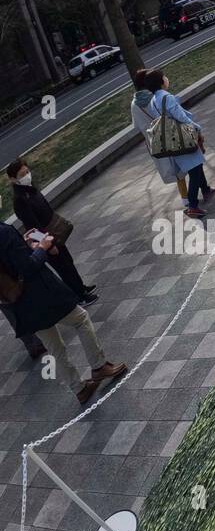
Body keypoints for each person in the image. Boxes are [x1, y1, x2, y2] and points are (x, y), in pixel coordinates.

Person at [0, 213, 126, 405]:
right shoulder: (4, 231)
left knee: (54, 347)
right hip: (41, 295)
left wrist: (24, 245)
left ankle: (79, 388)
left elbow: (11, 264)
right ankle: (99, 366)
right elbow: (28, 267)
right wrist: (41, 247)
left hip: (21, 306)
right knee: (81, 319)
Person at [7, 158, 96, 306]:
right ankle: (79, 296)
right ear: (13, 179)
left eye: (27, 172)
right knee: (64, 268)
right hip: (47, 240)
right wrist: (49, 244)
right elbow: (32, 226)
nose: (27, 176)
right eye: (22, 174)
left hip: (54, 234)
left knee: (68, 262)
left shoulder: (30, 189)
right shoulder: (20, 199)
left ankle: (80, 287)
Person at [138, 70, 215, 219]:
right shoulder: (167, 98)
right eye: (164, 77)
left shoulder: (154, 100)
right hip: (183, 138)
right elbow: (181, 117)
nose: (167, 78)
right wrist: (197, 128)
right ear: (161, 81)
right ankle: (192, 206)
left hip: (173, 142)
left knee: (195, 170)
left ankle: (204, 193)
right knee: (195, 171)